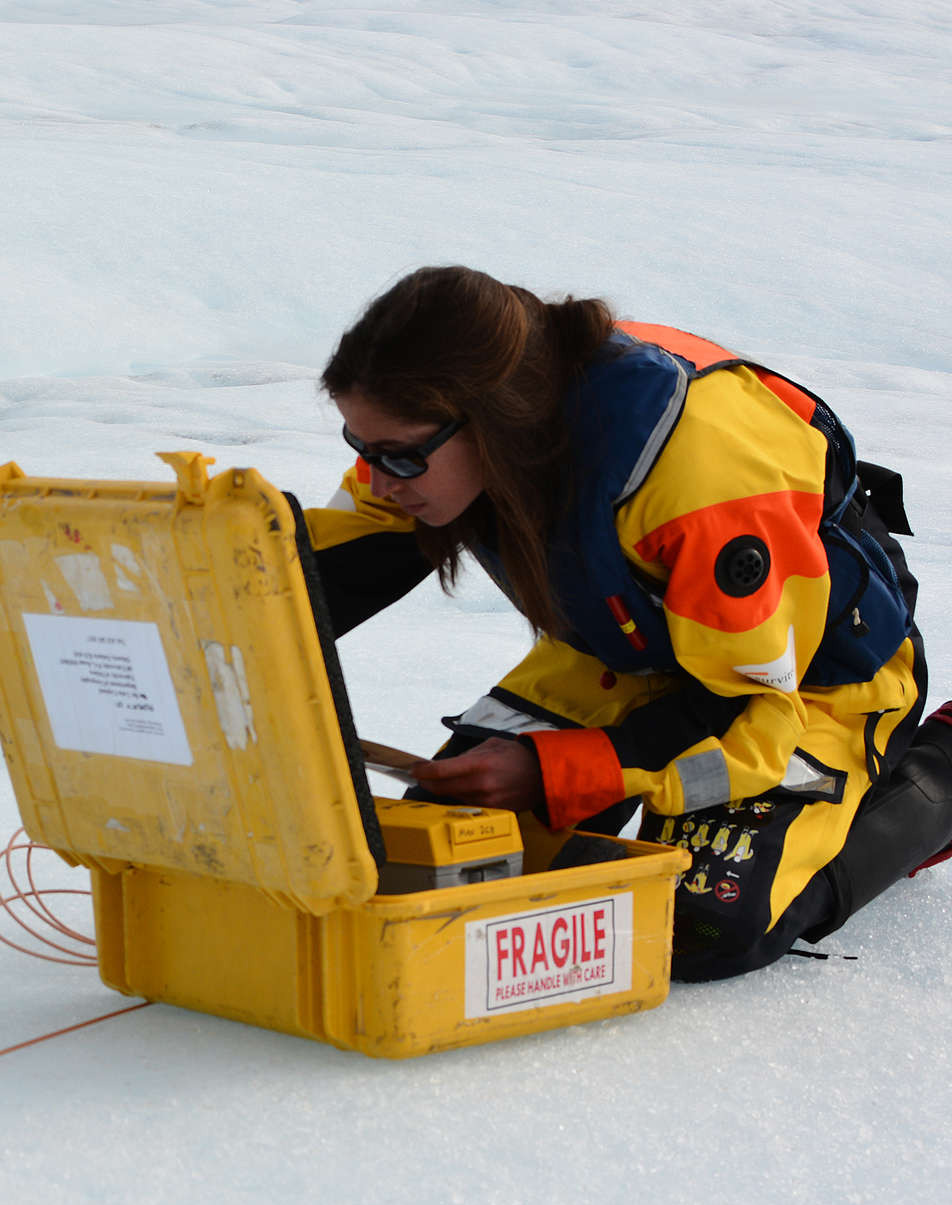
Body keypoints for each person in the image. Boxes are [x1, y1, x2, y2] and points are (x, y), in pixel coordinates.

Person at [305, 265, 952, 981]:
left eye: (397, 456)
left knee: (700, 922)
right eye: (358, 446)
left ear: (491, 419)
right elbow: (326, 571)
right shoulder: (432, 438)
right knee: (449, 856)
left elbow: (749, 712)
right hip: (630, 651)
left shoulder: (697, 474)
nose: (379, 476)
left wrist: (557, 771)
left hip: (800, 683)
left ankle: (938, 776)